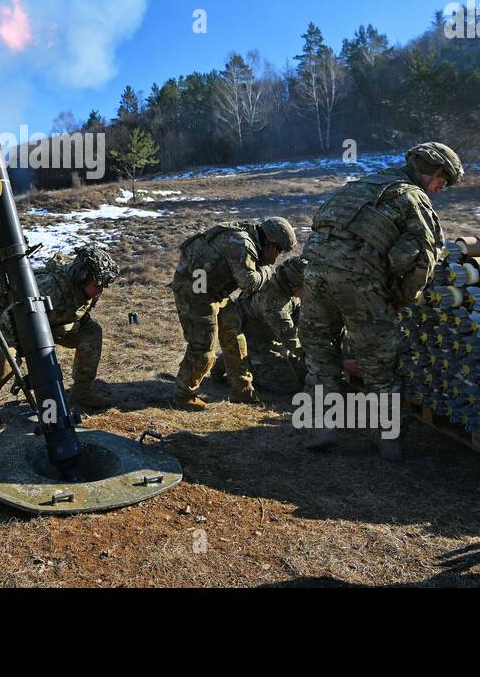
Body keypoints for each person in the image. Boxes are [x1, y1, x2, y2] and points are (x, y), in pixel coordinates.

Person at [298, 142, 461, 460]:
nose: (441, 189)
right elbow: (426, 257)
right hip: (358, 282)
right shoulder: (411, 196)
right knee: (380, 364)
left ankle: (320, 429)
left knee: (319, 357)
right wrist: (402, 298)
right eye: (444, 182)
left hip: (315, 275)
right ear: (435, 171)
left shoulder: (361, 185)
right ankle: (387, 441)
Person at [0, 244, 120, 422]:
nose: (100, 291)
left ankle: (81, 395)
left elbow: (78, 313)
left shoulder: (88, 287)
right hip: (16, 327)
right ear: (82, 277)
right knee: (6, 357)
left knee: (92, 333)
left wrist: (68, 328)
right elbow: (11, 319)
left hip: (53, 325)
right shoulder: (49, 289)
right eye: (97, 286)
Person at [171, 217, 297, 409]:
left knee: (234, 334)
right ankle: (184, 394)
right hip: (195, 289)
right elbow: (249, 282)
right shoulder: (242, 242)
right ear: (270, 243)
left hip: (214, 289)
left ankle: (242, 389)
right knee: (203, 346)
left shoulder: (250, 238)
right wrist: (267, 268)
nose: (277, 256)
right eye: (278, 250)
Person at [229, 254, 307, 396]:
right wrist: (314, 356)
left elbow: (297, 313)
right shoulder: (273, 302)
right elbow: (290, 340)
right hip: (257, 345)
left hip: (270, 337)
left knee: (304, 375)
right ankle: (241, 364)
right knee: (289, 385)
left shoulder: (281, 283)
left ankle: (235, 358)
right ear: (295, 286)